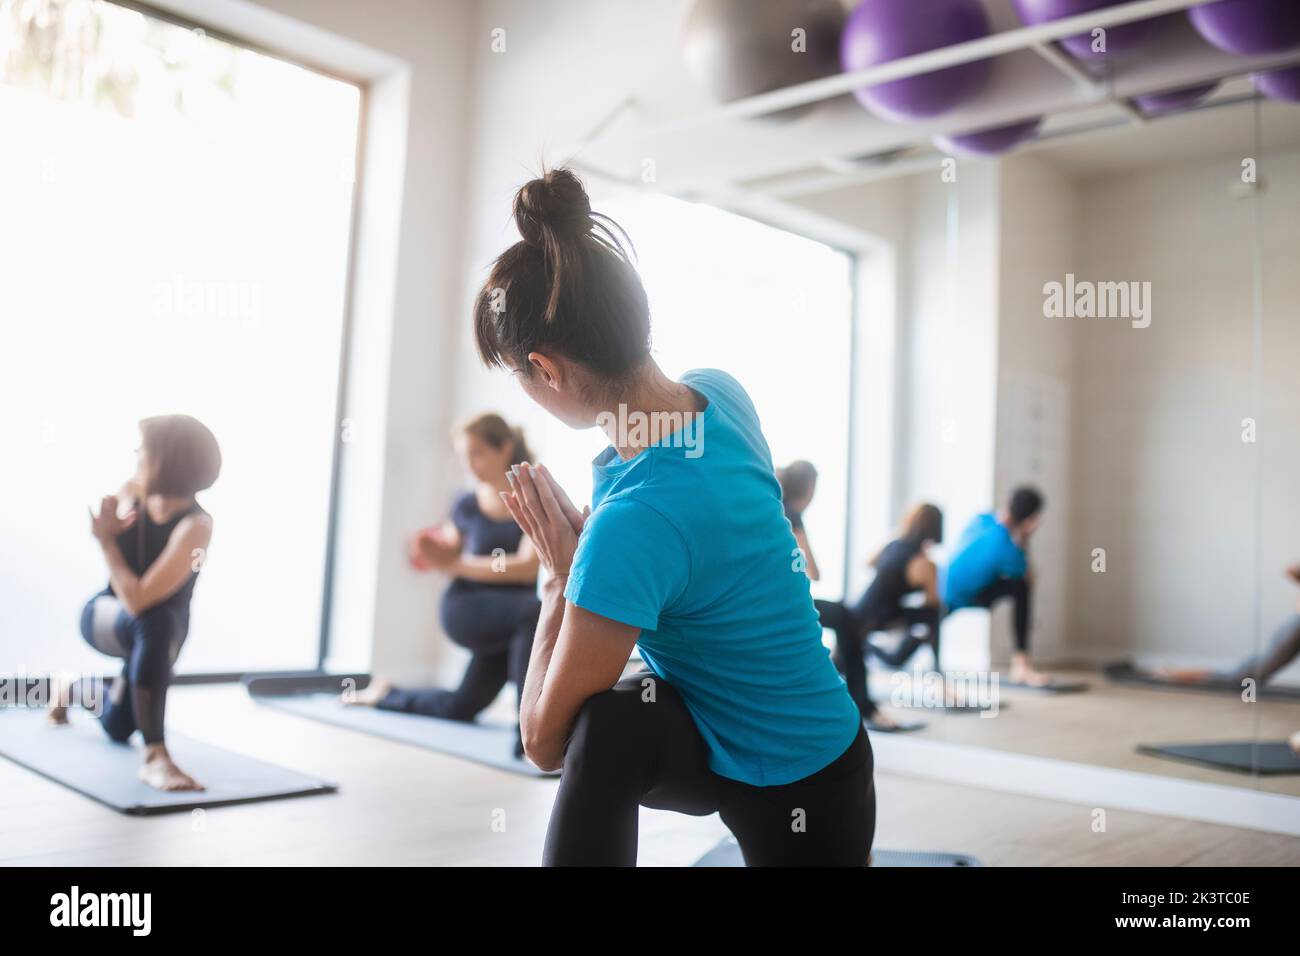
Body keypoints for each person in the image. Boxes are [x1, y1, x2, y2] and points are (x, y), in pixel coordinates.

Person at [476, 168, 874, 866]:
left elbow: (539, 742)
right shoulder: (722, 394)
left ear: (547, 369)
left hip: (806, 784)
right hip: (728, 741)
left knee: (586, 723)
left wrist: (556, 577)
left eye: (518, 377)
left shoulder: (634, 524)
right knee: (606, 725)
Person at [350, 414, 540, 755]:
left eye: (477, 453)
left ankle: (386, 694)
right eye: (463, 455)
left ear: (505, 448)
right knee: (533, 612)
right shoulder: (465, 504)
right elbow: (447, 552)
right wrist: (431, 551)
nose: (469, 464)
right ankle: (527, 737)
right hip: (466, 608)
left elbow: (526, 569)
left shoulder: (530, 497)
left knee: (462, 706)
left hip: (511, 621)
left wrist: (458, 564)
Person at [49, 415, 220, 792]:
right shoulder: (131, 495)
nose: (137, 455)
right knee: (153, 624)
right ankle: (156, 756)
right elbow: (130, 601)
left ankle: (74, 688)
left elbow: (142, 598)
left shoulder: (196, 525)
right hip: (105, 615)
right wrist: (106, 537)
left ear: (168, 458)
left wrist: (107, 543)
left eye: (143, 449)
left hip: (157, 631)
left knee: (119, 726)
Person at [779, 463, 941, 729]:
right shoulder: (792, 514)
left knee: (847, 624)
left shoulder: (776, 507)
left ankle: (857, 700)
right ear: (809, 489)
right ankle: (865, 707)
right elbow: (815, 572)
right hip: (786, 603)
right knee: (845, 619)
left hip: (770, 599)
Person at [944, 486, 1048, 687]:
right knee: (1021, 587)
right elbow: (1030, 578)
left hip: (944, 589)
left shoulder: (982, 519)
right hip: (963, 596)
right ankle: (1021, 665)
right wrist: (1025, 539)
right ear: (1031, 520)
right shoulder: (1006, 546)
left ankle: (895, 652)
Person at [1156, 562, 1300, 690]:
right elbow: (1290, 569)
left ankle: (1171, 672)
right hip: (1285, 640)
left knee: (1239, 677)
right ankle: (1170, 674)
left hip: (1285, 639)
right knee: (1238, 679)